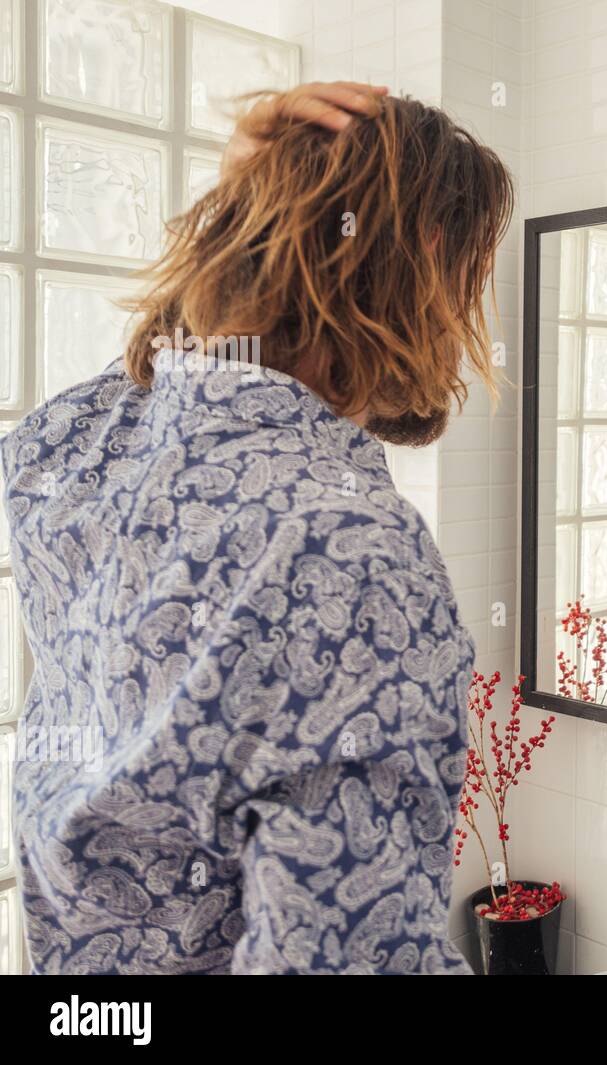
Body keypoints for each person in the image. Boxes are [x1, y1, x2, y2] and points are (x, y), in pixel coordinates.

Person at [0, 82, 513, 973]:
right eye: (463, 273)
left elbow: (191, 371)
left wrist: (251, 220)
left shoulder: (64, 448)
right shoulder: (349, 556)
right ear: (424, 257)